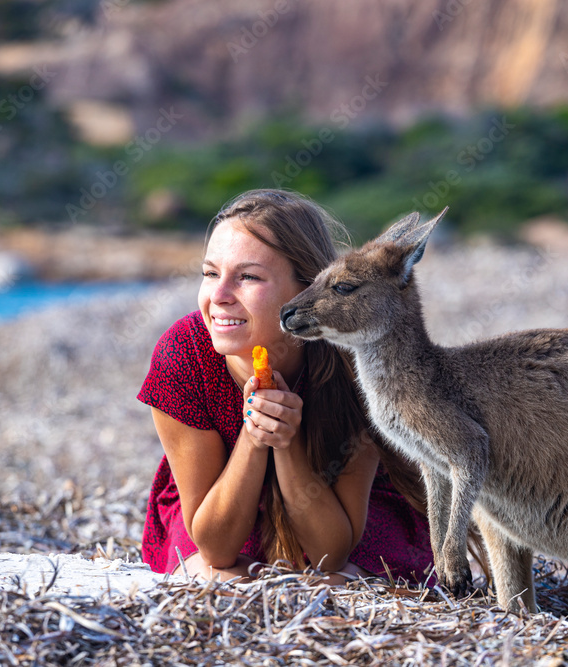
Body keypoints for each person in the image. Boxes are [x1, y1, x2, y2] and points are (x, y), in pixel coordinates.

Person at [137, 189, 434, 583]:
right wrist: (253, 437)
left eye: (247, 277)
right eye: (210, 273)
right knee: (216, 582)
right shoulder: (183, 354)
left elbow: (331, 552)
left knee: (335, 586)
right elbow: (216, 547)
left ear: (307, 288)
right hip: (220, 499)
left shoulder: (355, 364)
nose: (219, 296)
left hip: (344, 514)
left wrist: (285, 443)